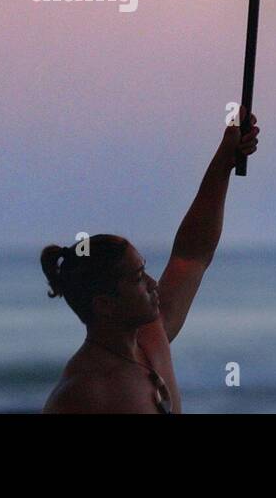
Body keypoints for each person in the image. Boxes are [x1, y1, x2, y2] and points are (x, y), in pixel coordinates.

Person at [39, 116, 260, 413]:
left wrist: (225, 161)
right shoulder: (83, 394)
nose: (153, 284)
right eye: (138, 277)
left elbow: (191, 255)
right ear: (105, 303)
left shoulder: (151, 339)